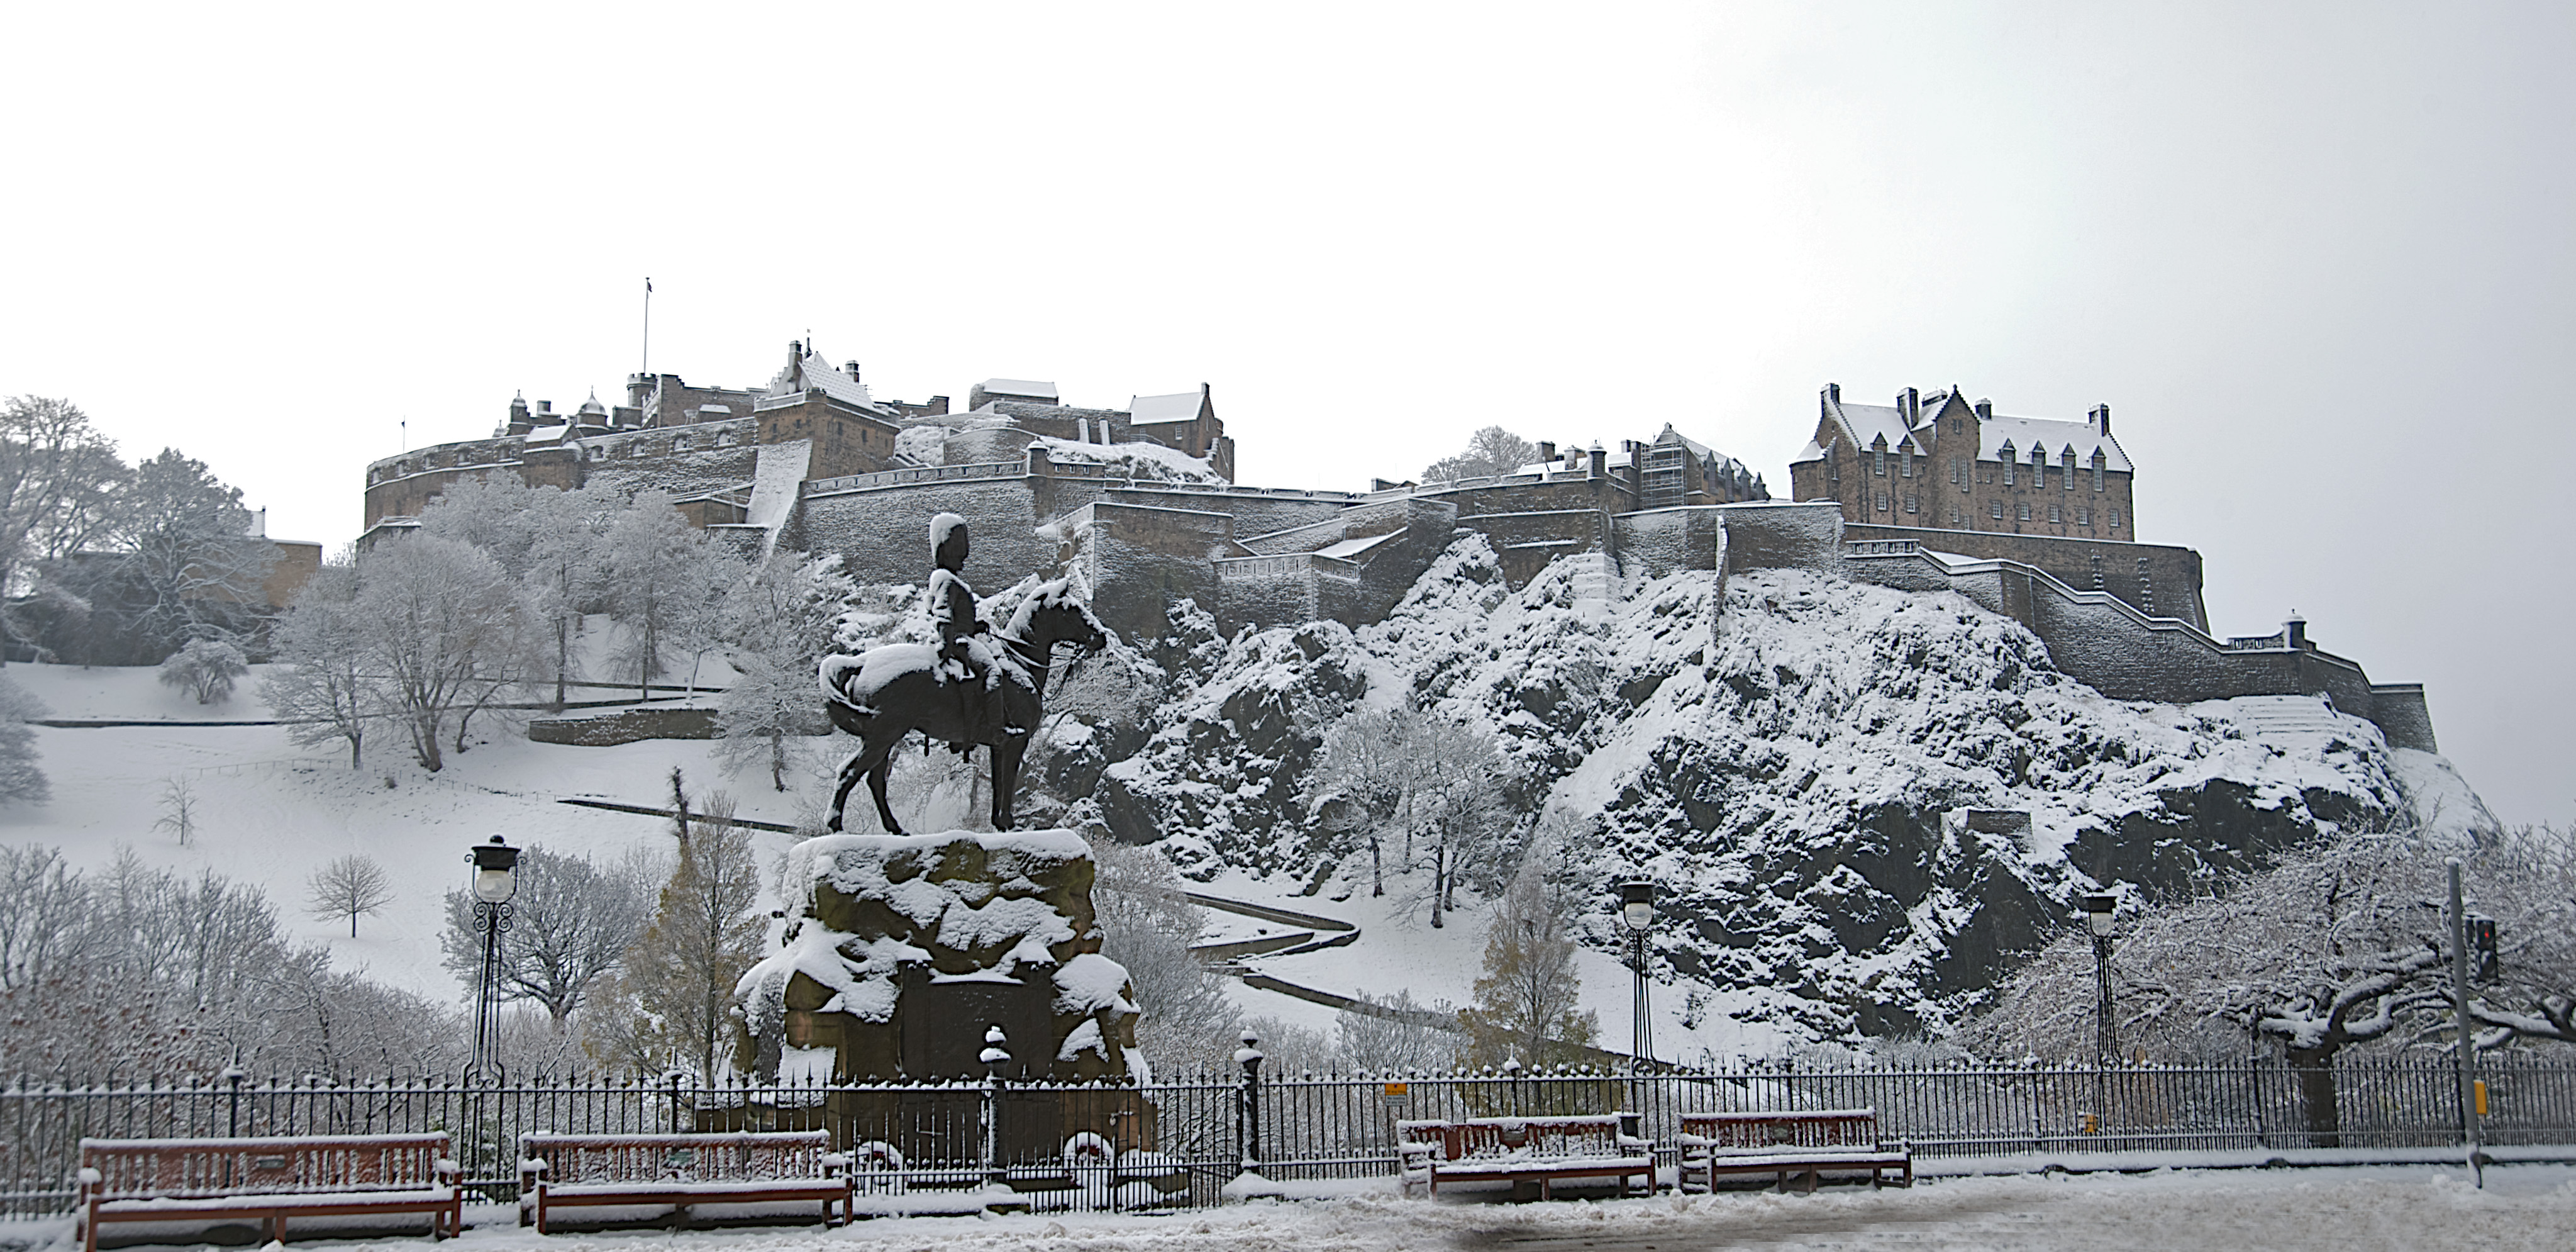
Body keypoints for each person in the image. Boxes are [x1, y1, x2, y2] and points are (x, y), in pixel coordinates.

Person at [928, 513, 1008, 746]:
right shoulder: (946, 580)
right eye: (959, 553)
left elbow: (954, 615)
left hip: (963, 637)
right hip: (960, 643)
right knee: (994, 673)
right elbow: (942, 613)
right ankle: (995, 731)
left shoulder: (945, 579)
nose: (964, 560)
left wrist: (976, 626)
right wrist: (946, 642)